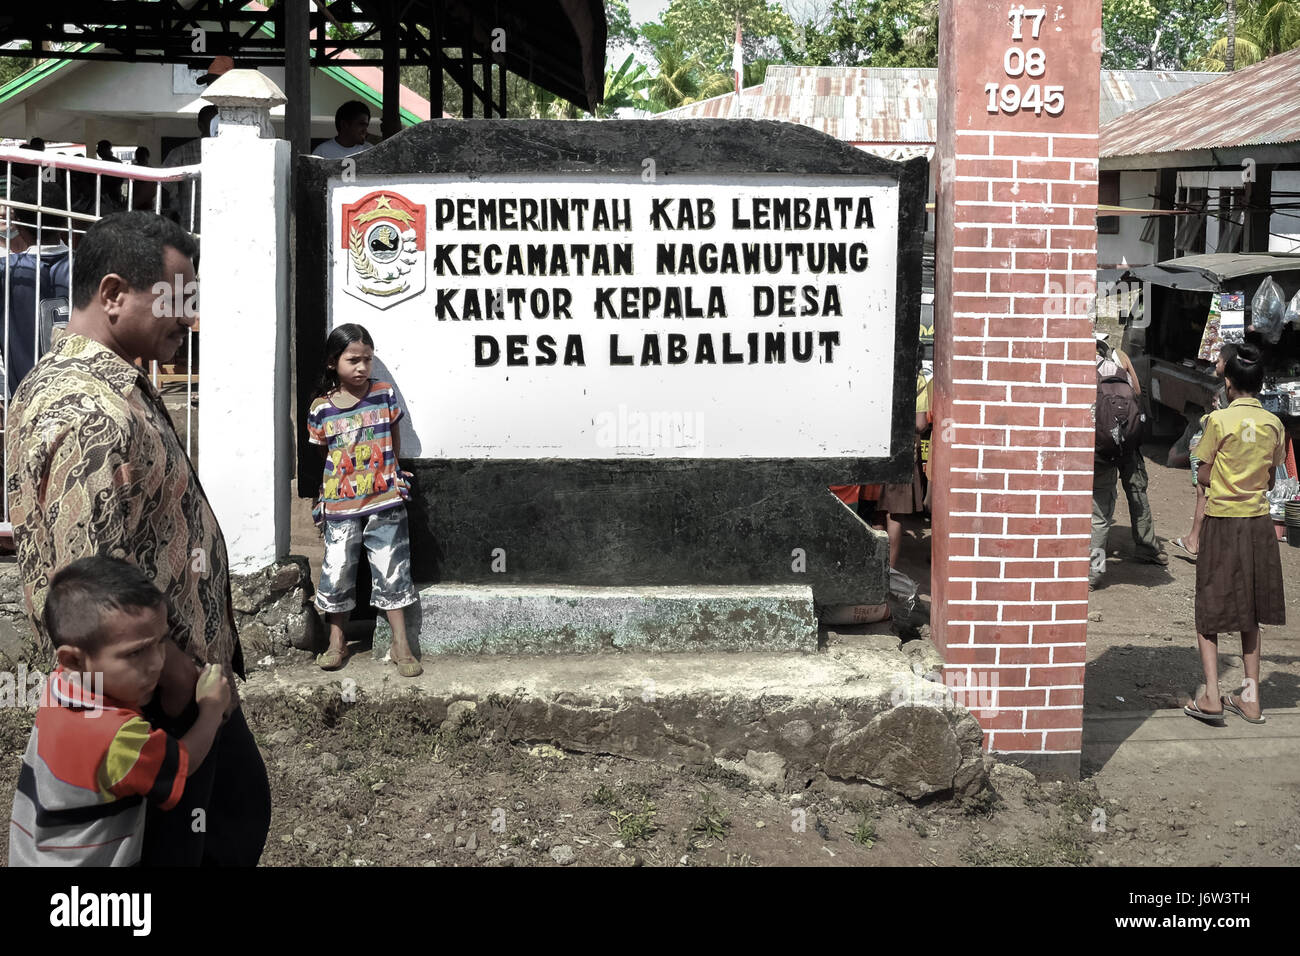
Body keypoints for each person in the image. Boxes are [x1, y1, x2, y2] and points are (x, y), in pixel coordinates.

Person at [5, 211, 271, 865]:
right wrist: (179, 680)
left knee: (233, 820)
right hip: (151, 700)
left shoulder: (115, 384)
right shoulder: (86, 411)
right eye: (178, 299)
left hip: (170, 686)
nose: (189, 317)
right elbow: (91, 587)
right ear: (115, 294)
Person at [9, 556, 230, 866]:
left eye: (162, 641)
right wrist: (211, 710)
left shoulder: (60, 683)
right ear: (74, 659)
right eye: (136, 652)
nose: (156, 663)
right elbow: (184, 762)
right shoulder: (117, 739)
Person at [307, 323, 421, 676]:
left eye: (367, 360)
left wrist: (396, 472)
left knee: (392, 567)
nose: (361, 368)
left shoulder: (384, 394)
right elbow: (322, 456)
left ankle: (401, 642)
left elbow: (394, 435)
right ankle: (336, 640)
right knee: (338, 568)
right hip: (340, 504)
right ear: (332, 363)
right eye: (353, 360)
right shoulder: (320, 410)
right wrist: (322, 498)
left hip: (384, 497)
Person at [1183, 344, 1286, 726]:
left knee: (1208, 610)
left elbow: (1204, 474)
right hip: (1258, 526)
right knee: (1250, 614)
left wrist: (1218, 478)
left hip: (1223, 521)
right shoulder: (1275, 425)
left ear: (1228, 384)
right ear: (1260, 384)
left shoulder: (1218, 422)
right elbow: (1272, 479)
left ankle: (1211, 696)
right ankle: (1251, 700)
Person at [1089, 333, 1168, 588]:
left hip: (1095, 447)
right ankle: (1147, 547)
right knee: (1135, 492)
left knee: (1097, 510)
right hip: (1125, 442)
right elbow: (1136, 393)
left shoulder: (1074, 366)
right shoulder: (1119, 360)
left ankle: (1089, 566)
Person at [0, 175, 72, 395]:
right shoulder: (92, 266)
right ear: (65, 220)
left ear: (18, 224)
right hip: (82, 395)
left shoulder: (7, 270)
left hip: (27, 399)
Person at [1172, 344, 1236, 560]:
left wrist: (1200, 443)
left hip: (1216, 451)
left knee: (1203, 493)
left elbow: (1219, 425)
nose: (1215, 363)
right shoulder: (1235, 390)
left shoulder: (1226, 391)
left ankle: (1194, 541)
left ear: (1227, 365)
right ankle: (1196, 539)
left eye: (1218, 360)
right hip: (1227, 452)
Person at [161, 105, 218, 229]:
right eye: (214, 123)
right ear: (200, 126)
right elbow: (162, 186)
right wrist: (167, 218)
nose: (217, 127)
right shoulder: (182, 152)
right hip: (193, 227)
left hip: (220, 225)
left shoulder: (232, 150)